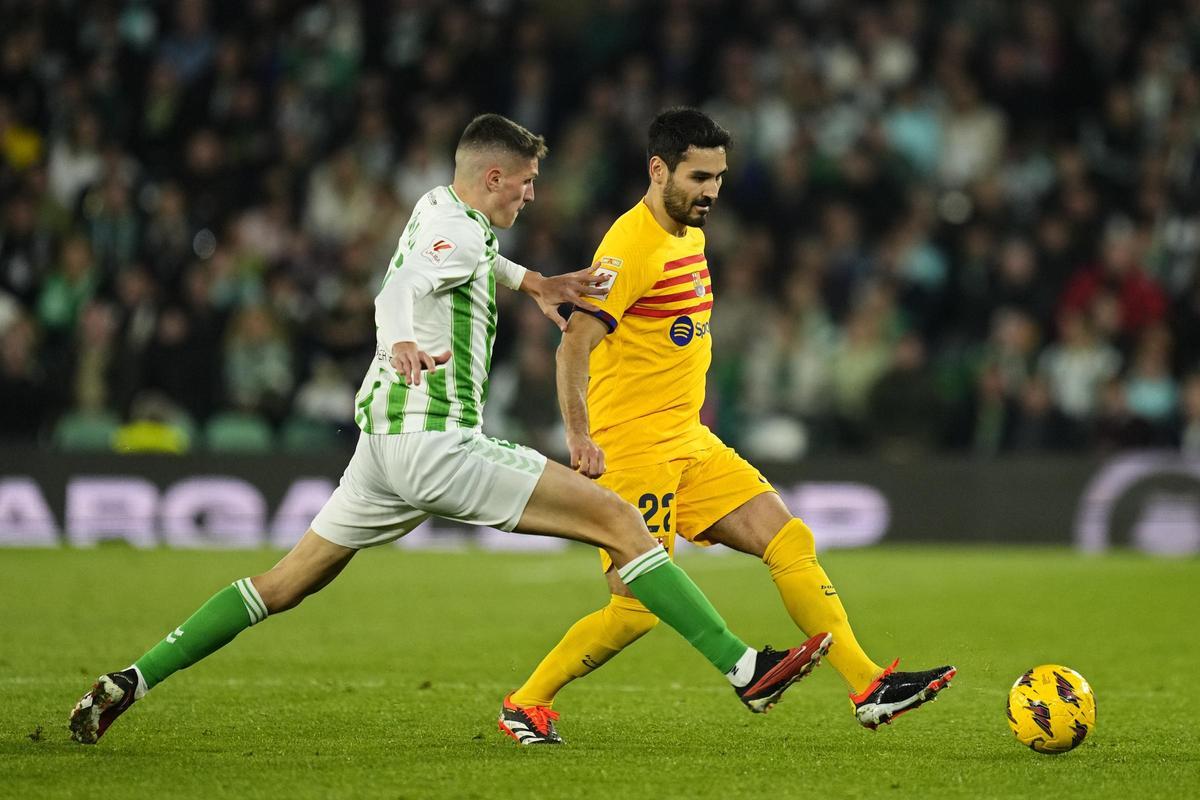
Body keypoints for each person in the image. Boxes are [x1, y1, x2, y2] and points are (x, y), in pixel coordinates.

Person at [69, 114, 830, 745]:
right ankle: (742, 668)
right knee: (623, 523)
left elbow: (473, 257)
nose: (533, 195)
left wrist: (535, 283)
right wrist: (399, 335)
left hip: (378, 454)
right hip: (438, 442)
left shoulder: (439, 206)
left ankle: (132, 679)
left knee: (280, 585)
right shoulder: (457, 237)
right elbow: (402, 287)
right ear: (493, 178)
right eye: (526, 182)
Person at [498, 109, 955, 745]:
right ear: (657, 170)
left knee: (788, 538)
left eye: (719, 177)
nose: (712, 190)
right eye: (699, 176)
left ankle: (869, 685)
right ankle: (526, 701)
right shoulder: (628, 247)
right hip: (633, 447)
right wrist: (579, 436)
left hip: (688, 438)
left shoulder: (689, 230)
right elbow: (573, 344)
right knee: (633, 613)